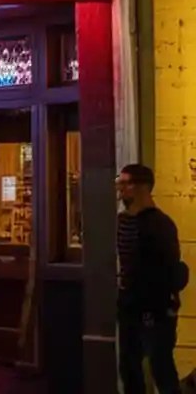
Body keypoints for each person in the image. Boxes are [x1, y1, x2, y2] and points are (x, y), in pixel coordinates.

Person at [117, 163, 186, 394]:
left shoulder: (160, 224)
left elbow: (170, 271)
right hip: (129, 307)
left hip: (155, 310)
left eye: (127, 183)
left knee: (161, 368)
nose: (122, 189)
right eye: (120, 183)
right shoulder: (121, 221)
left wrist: (163, 304)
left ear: (144, 187)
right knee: (129, 368)